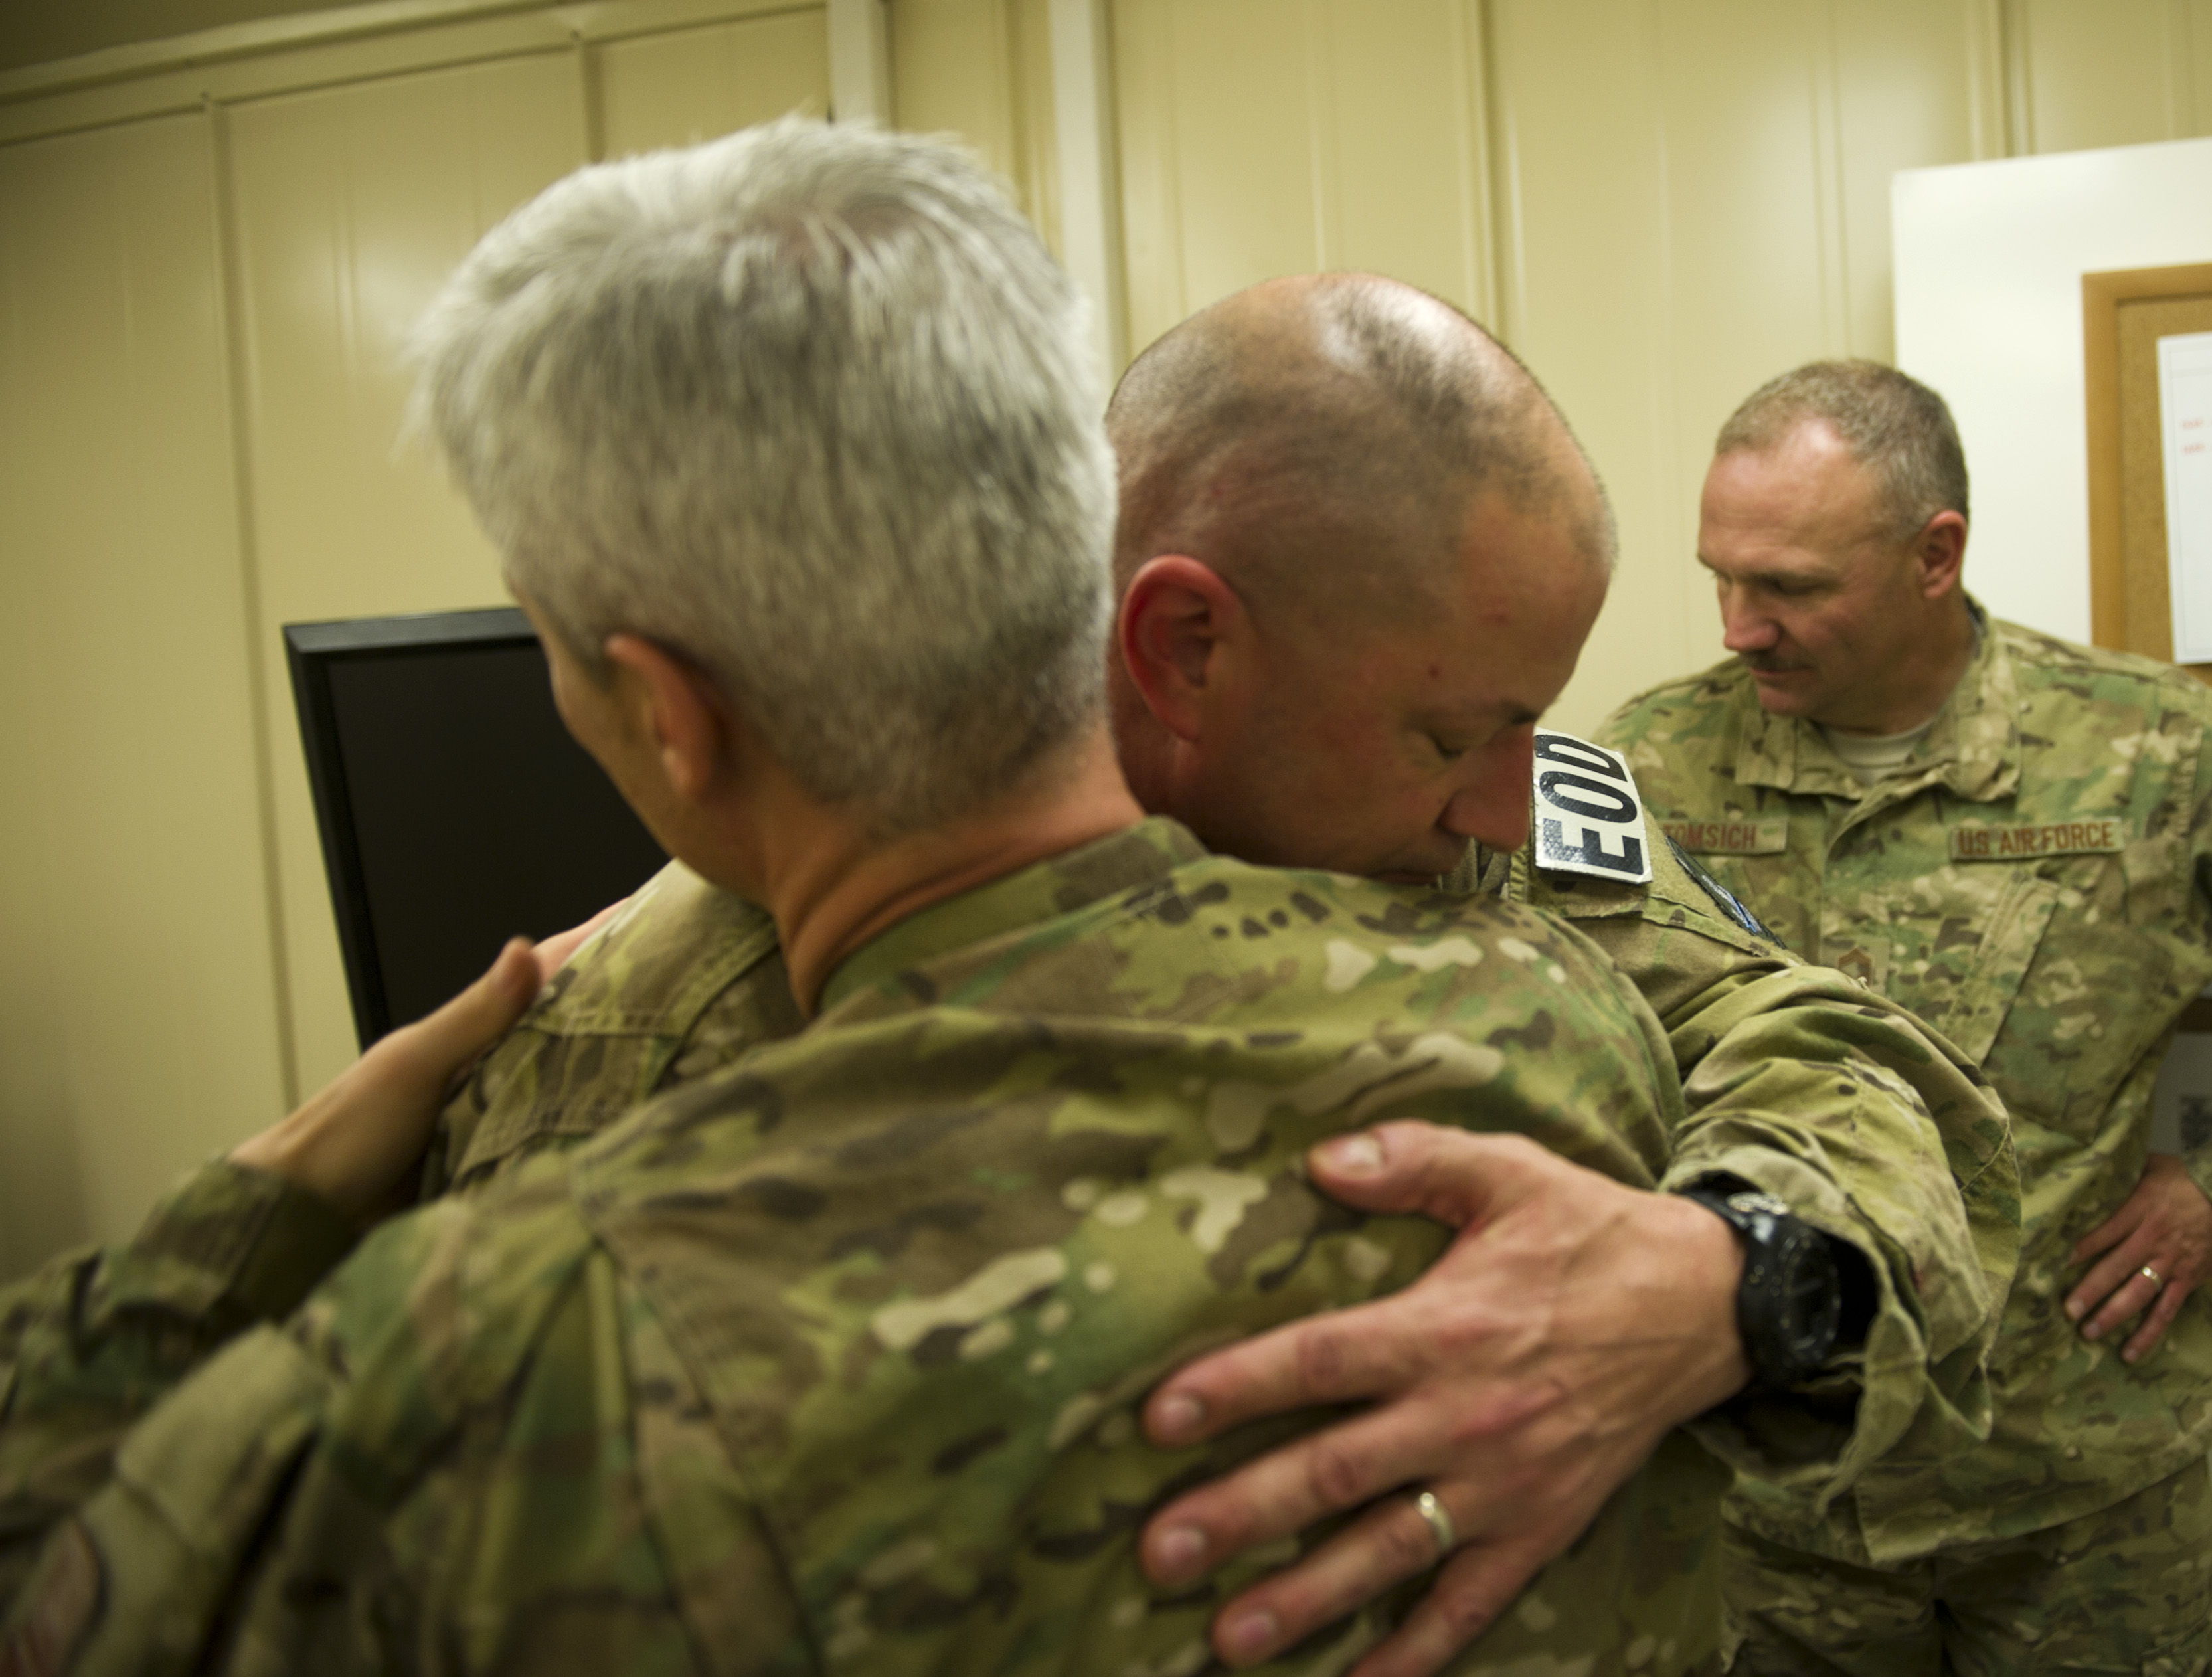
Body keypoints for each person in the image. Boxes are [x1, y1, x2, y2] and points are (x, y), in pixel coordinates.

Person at [1, 118, 1745, 1676]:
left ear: (667, 713)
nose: (1491, 787)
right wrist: (1735, 1266)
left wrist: (264, 1193)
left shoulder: (499, 1349)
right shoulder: (1548, 1017)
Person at [424, 278, 2014, 1676]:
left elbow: (1832, 1049)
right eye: (1451, 735)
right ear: (1186, 646)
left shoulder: (1503, 827)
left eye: (1529, 719)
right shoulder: (734, 974)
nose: (1507, 797)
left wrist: (1725, 1268)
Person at [1599, 359, 2212, 1674]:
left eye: (1789, 586)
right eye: (1720, 576)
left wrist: (2202, 1165)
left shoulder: (2157, 752)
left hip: (2083, 1482)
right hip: (1780, 1495)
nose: (1738, 626)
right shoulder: (1646, 766)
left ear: (1935, 555)